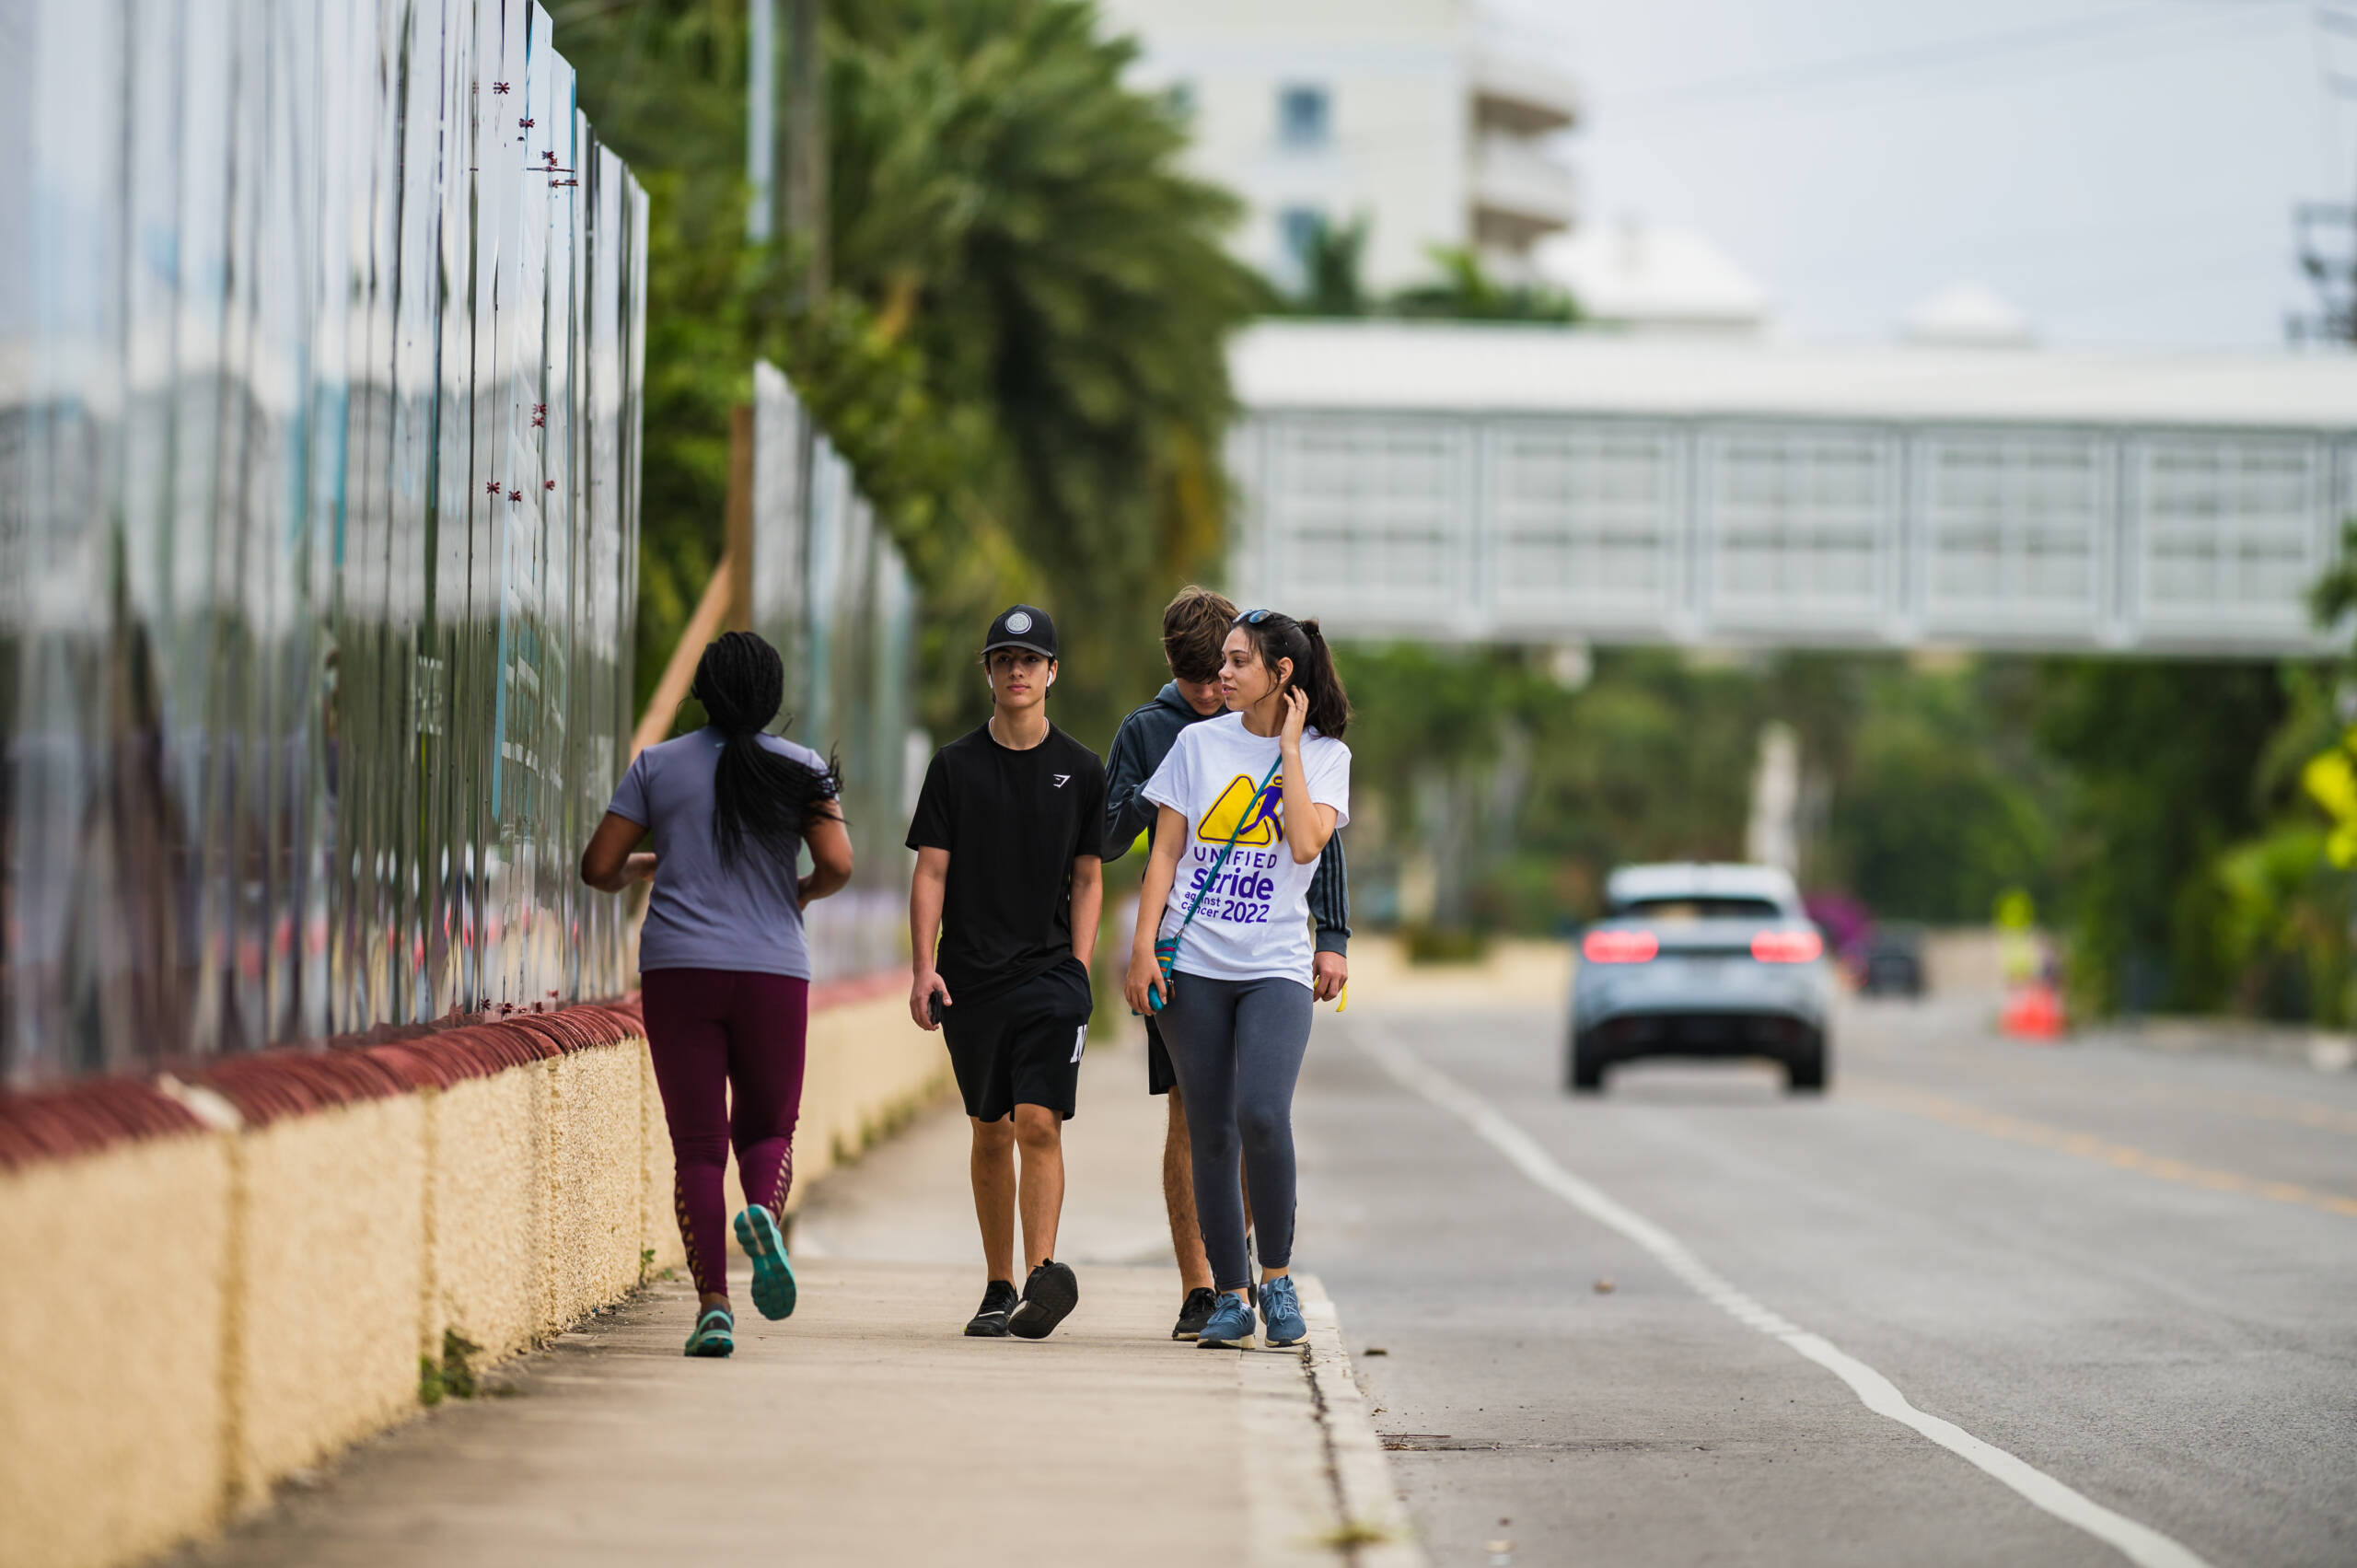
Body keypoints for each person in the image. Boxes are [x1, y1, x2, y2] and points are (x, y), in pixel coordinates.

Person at [580, 631, 853, 1359]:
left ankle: (713, 1309)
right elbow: (838, 864)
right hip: (771, 968)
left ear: (703, 689)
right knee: (767, 1132)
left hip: (679, 970)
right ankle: (760, 1213)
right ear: (770, 695)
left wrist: (653, 863)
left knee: (697, 1150)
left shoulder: (658, 766)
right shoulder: (798, 769)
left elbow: (597, 866)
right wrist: (794, 892)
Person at [1104, 587, 1350, 1341]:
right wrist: (1143, 947)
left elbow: (1308, 844)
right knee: (1210, 1129)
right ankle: (1231, 1296)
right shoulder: (1192, 744)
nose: (1223, 672)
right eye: (1221, 660)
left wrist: (1286, 751)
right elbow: (1165, 854)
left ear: (1280, 673)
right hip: (1195, 964)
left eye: (1239, 661)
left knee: (1263, 1115)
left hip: (1274, 962)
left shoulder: (1326, 756)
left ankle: (1277, 1281)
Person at [907, 605, 1106, 1341]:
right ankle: (997, 1284)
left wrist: (1080, 967)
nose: (1017, 670)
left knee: (1037, 1123)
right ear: (988, 671)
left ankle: (1040, 1278)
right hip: (970, 979)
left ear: (1053, 672)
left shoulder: (1082, 769)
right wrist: (922, 968)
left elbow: (1089, 877)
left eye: (1030, 659)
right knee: (988, 1128)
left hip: (1051, 975)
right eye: (1003, 658)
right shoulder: (954, 767)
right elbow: (930, 872)